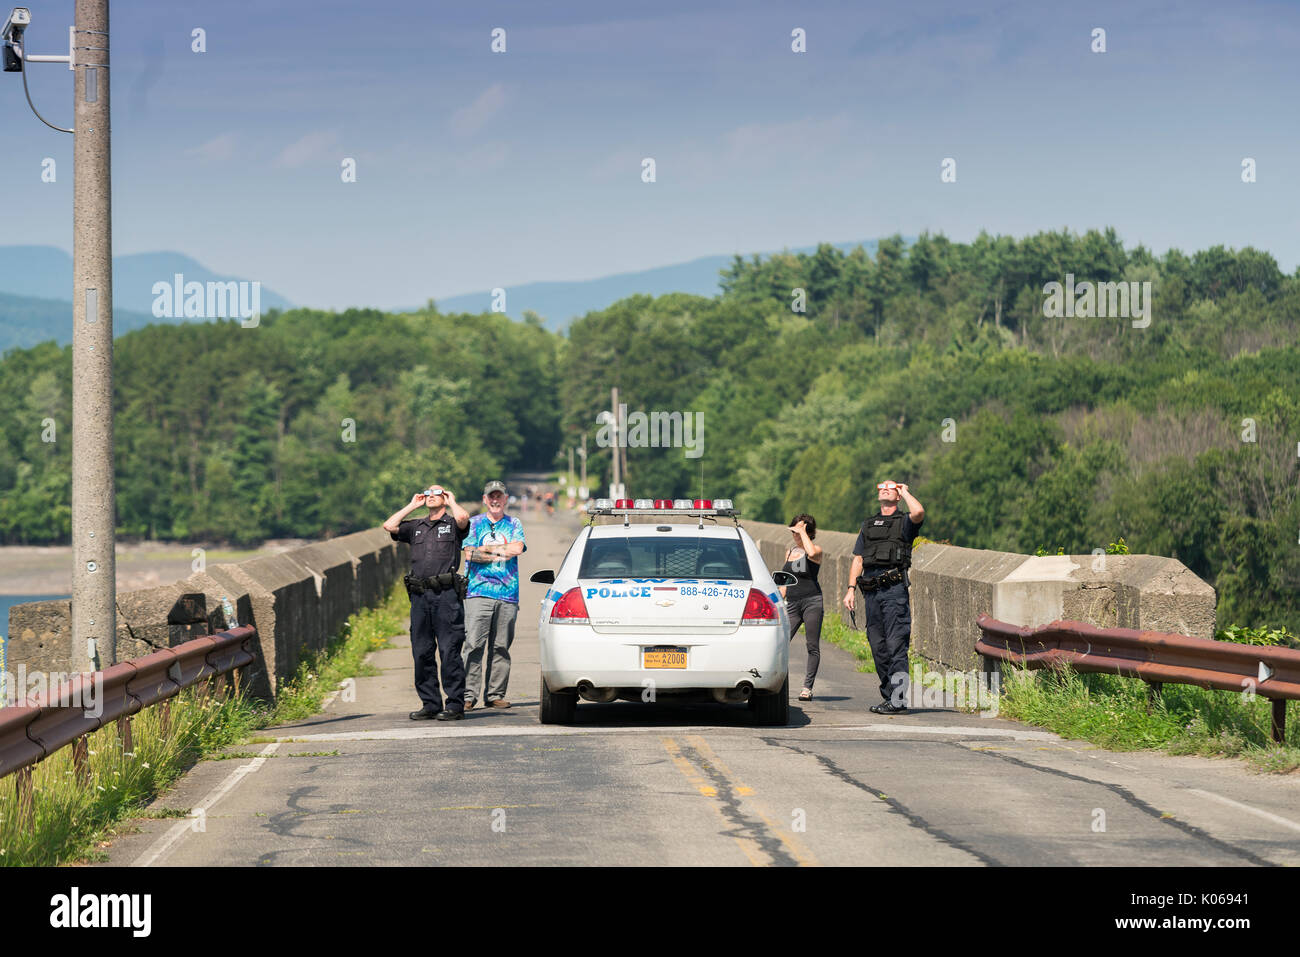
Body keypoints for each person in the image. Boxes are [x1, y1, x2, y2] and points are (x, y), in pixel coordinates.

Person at [383, 485, 471, 721]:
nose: (431, 496)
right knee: (421, 651)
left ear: (445, 497)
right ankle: (430, 703)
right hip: (420, 597)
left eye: (437, 493)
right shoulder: (416, 526)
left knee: (449, 650)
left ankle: (455, 705)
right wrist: (412, 506)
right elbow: (389, 526)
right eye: (428, 493)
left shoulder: (452, 524)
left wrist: (452, 500)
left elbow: (463, 518)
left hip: (446, 596)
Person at [843, 481, 925, 714]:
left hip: (893, 591)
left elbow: (919, 512)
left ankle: (898, 700)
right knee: (877, 645)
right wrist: (850, 589)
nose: (885, 489)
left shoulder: (904, 522)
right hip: (871, 592)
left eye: (890, 487)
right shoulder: (868, 525)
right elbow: (858, 559)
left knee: (895, 645)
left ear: (898, 496)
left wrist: (905, 491)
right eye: (881, 487)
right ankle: (890, 697)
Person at [461, 480, 527, 710]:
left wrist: (487, 549)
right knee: (473, 645)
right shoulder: (474, 523)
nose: (495, 500)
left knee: (501, 647)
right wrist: (501, 552)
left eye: (499, 496)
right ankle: (467, 696)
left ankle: (495, 694)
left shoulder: (514, 523)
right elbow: (469, 554)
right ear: (484, 499)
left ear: (505, 499)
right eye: (491, 496)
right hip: (477, 591)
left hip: (508, 594)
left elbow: (517, 548)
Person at [780, 514, 823, 702]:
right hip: (792, 603)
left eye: (799, 531)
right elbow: (784, 582)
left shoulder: (816, 550)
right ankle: (777, 682)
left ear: (809, 532)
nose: (795, 534)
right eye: (794, 531)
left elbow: (811, 554)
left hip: (812, 601)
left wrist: (803, 532)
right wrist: (778, 602)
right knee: (780, 642)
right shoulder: (789, 552)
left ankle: (807, 687)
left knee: (812, 646)